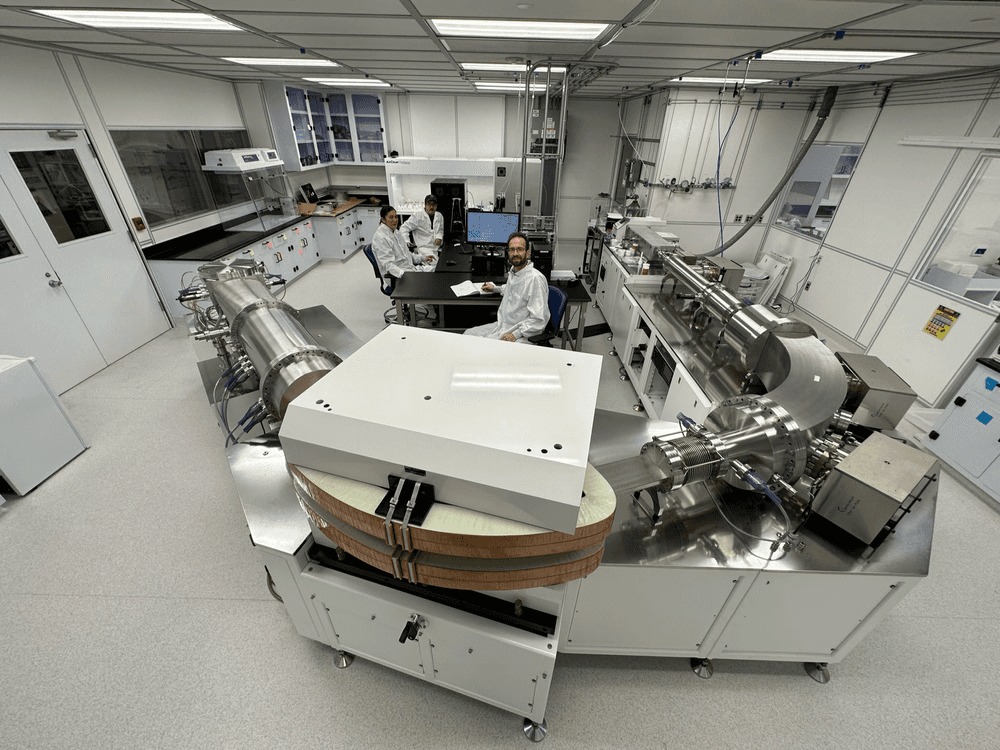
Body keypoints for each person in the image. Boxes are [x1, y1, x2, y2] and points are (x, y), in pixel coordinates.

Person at [464, 232, 549, 343]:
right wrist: (495, 288)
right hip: (503, 325)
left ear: (527, 253)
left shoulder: (535, 279)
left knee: (481, 347)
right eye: (512, 249)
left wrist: (516, 334)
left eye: (519, 249)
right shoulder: (515, 272)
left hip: (521, 332)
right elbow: (514, 289)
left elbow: (539, 319)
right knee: (467, 334)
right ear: (508, 253)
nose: (515, 253)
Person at [371, 205, 435, 289]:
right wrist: (405, 275)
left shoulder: (395, 232)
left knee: (436, 270)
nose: (395, 220)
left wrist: (423, 258)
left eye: (396, 217)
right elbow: (389, 265)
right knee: (432, 283)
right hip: (398, 277)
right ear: (383, 220)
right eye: (391, 217)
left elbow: (407, 255)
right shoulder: (380, 238)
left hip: (410, 270)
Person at [400, 194, 444, 262]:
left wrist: (439, 237)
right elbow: (404, 227)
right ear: (425, 205)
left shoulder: (439, 216)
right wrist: (406, 241)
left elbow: (440, 230)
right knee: (432, 266)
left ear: (436, 206)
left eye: (433, 204)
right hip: (424, 249)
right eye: (429, 204)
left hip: (437, 248)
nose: (431, 207)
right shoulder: (417, 216)